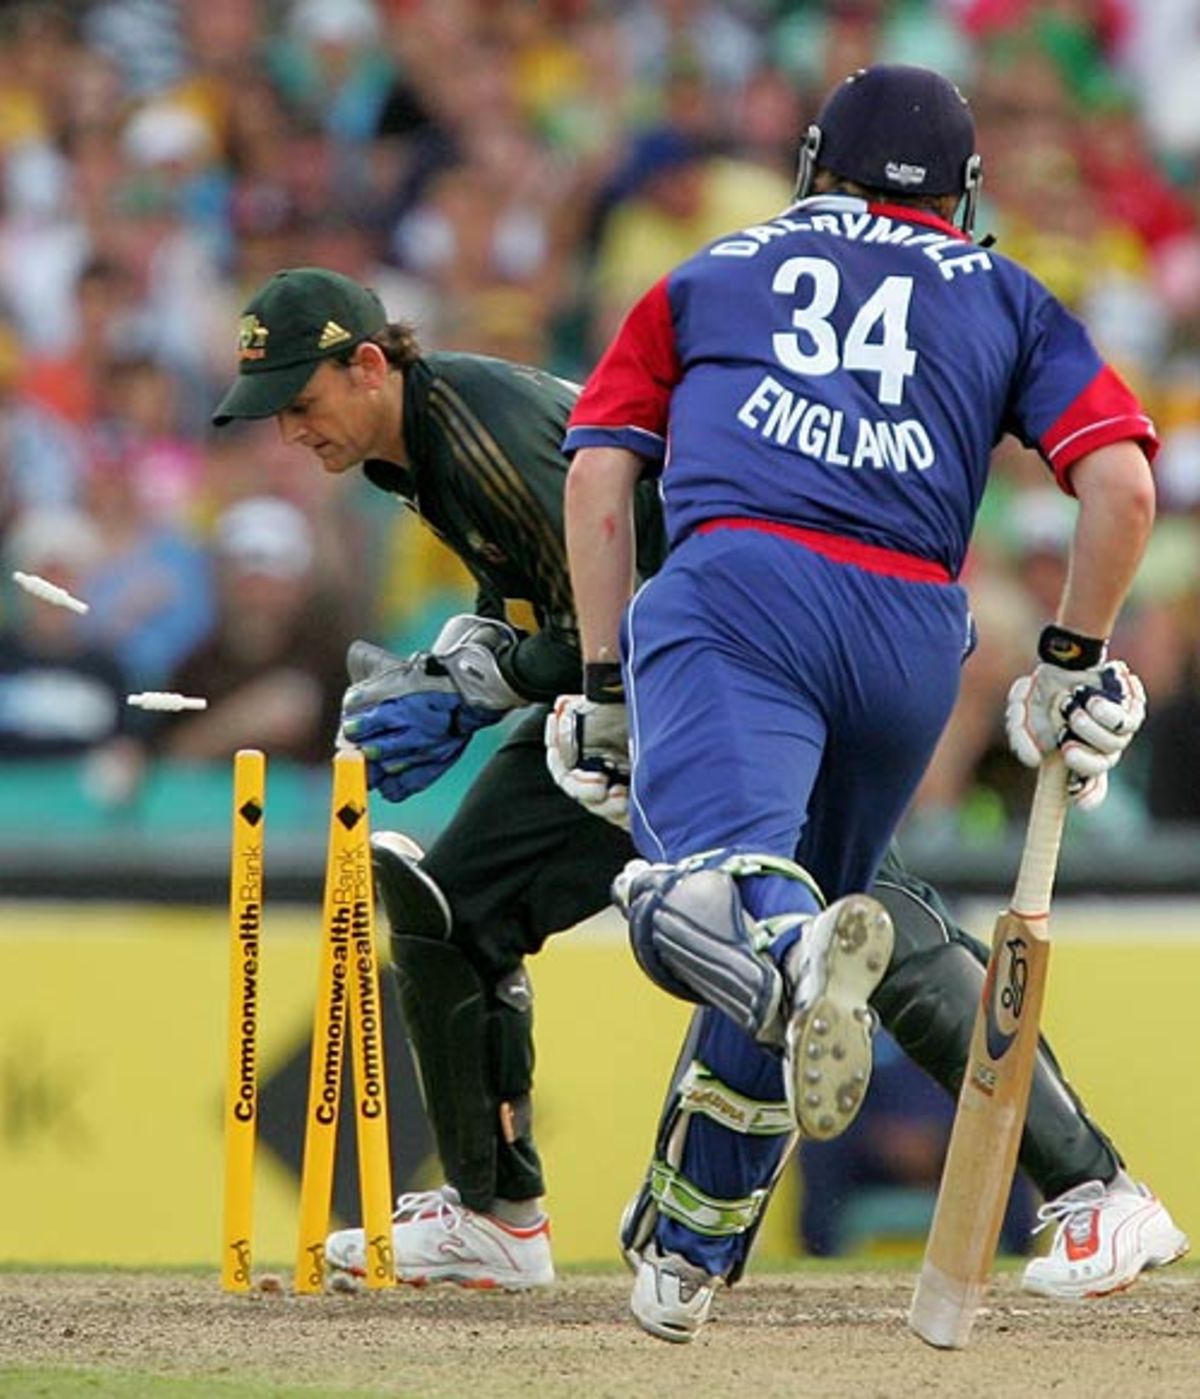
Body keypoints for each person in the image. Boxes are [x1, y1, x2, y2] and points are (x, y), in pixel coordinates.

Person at [209, 263, 1184, 1309]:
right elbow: (540, 591)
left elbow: (616, 586)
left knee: (874, 923)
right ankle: (495, 1217)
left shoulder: (476, 425)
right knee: (457, 910)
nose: (291, 434)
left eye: (301, 404)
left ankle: (1096, 1183)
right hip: (661, 692)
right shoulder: (416, 450)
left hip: (712, 680)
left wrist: (478, 686)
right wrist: (458, 665)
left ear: (369, 365)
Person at [556, 64, 1183, 1341]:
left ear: (813, 163)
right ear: (960, 193)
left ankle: (783, 956)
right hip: (913, 636)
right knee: (804, 918)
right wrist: (1070, 663)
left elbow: (601, 478)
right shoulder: (1009, 292)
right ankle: (687, 1250)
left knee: (707, 907)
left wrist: (606, 684)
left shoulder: (709, 268)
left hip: (740, 594)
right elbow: (1121, 489)